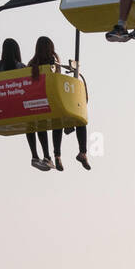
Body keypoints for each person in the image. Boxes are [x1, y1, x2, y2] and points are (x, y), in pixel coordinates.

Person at [25, 36, 92, 172]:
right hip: (53, 103)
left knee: (55, 122)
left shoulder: (31, 65)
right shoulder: (53, 64)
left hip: (37, 105)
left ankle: (57, 156)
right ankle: (82, 152)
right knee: (77, 120)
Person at [0, 37, 53, 171]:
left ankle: (34, 156)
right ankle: (47, 155)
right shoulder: (20, 66)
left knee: (29, 125)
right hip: (19, 103)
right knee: (38, 121)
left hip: (3, 106)